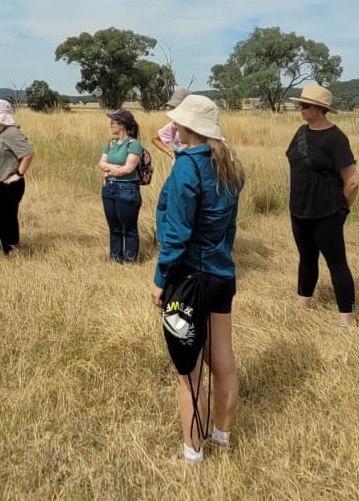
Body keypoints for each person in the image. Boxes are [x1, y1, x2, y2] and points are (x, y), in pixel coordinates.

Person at [151, 94, 243, 463]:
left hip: (190, 277)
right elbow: (230, 228)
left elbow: (177, 233)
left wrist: (160, 279)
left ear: (186, 128)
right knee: (223, 361)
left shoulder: (188, 166)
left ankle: (193, 451)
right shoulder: (230, 164)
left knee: (187, 371)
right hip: (222, 273)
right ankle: (222, 435)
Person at [285, 84, 359, 326]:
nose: (301, 109)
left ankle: (346, 319)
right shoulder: (300, 132)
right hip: (299, 209)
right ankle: (302, 306)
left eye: (305, 106)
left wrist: (341, 210)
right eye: (301, 104)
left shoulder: (336, 138)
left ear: (320, 109)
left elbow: (352, 181)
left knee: (336, 263)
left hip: (327, 212)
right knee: (306, 258)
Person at [0, 99, 34, 254]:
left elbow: (28, 154)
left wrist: (18, 174)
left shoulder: (12, 133)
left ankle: (10, 249)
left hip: (6, 183)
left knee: (6, 217)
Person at [99, 109, 146, 263]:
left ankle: (129, 261)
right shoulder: (110, 143)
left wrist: (109, 171)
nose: (110, 125)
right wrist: (115, 170)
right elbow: (101, 163)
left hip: (127, 189)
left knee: (129, 229)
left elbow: (128, 169)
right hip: (109, 188)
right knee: (114, 228)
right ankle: (114, 258)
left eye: (114, 122)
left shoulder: (134, 144)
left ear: (123, 125)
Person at [150, 87, 190, 161]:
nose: (174, 110)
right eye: (173, 107)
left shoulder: (198, 127)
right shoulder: (173, 125)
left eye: (176, 107)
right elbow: (155, 139)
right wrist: (170, 153)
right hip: (177, 168)